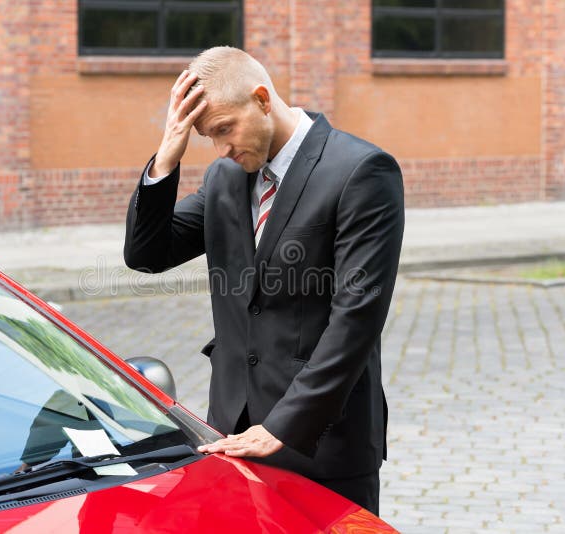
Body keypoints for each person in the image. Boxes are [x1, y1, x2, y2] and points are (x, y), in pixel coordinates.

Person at [123, 46, 404, 515]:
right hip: (232, 433)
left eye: (225, 130)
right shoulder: (223, 177)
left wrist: (283, 426)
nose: (222, 149)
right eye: (208, 138)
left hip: (321, 441)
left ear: (261, 99)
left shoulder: (361, 172)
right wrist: (168, 155)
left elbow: (356, 318)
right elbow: (147, 256)